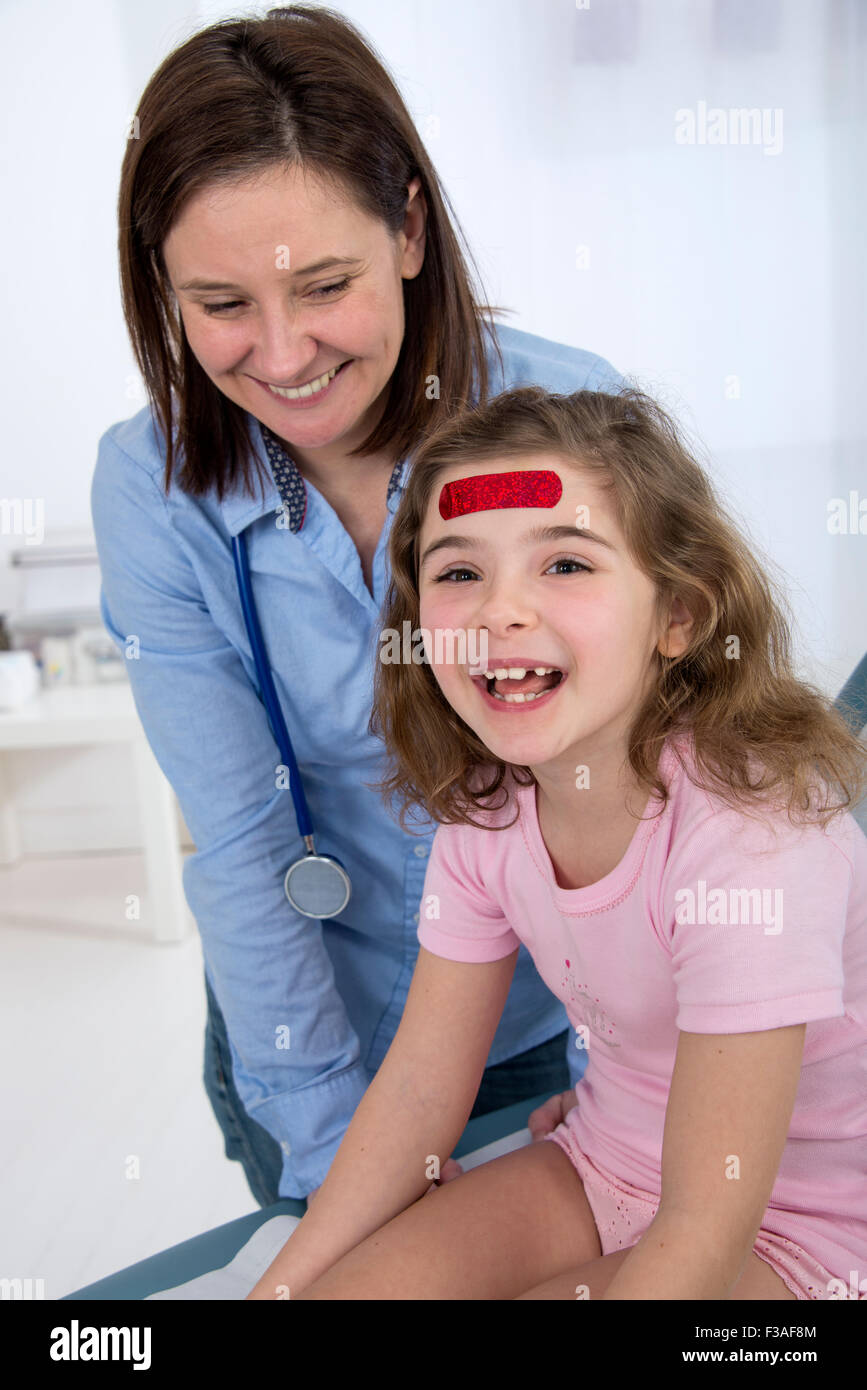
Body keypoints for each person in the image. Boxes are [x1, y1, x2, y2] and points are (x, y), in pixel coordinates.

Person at [91, 6, 616, 1208]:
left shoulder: (584, 427)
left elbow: (648, 801)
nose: (283, 357)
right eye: (220, 304)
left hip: (547, 1029)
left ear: (412, 232)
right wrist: (333, 1162)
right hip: (304, 1041)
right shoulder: (153, 489)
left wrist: (617, 1073)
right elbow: (238, 841)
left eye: (325, 285)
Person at [246, 384, 867, 1300]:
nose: (501, 612)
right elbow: (421, 1083)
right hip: (602, 1160)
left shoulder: (749, 839)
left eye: (565, 566)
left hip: (807, 1228)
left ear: (678, 615)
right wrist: (277, 1293)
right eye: (458, 574)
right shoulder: (488, 805)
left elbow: (703, 1232)